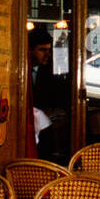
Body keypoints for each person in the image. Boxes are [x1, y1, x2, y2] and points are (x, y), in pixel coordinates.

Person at [28, 27, 68, 162]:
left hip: (45, 124)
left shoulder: (50, 72)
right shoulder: (22, 70)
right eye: (42, 50)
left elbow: (58, 98)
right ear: (30, 50)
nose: (47, 54)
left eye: (49, 50)